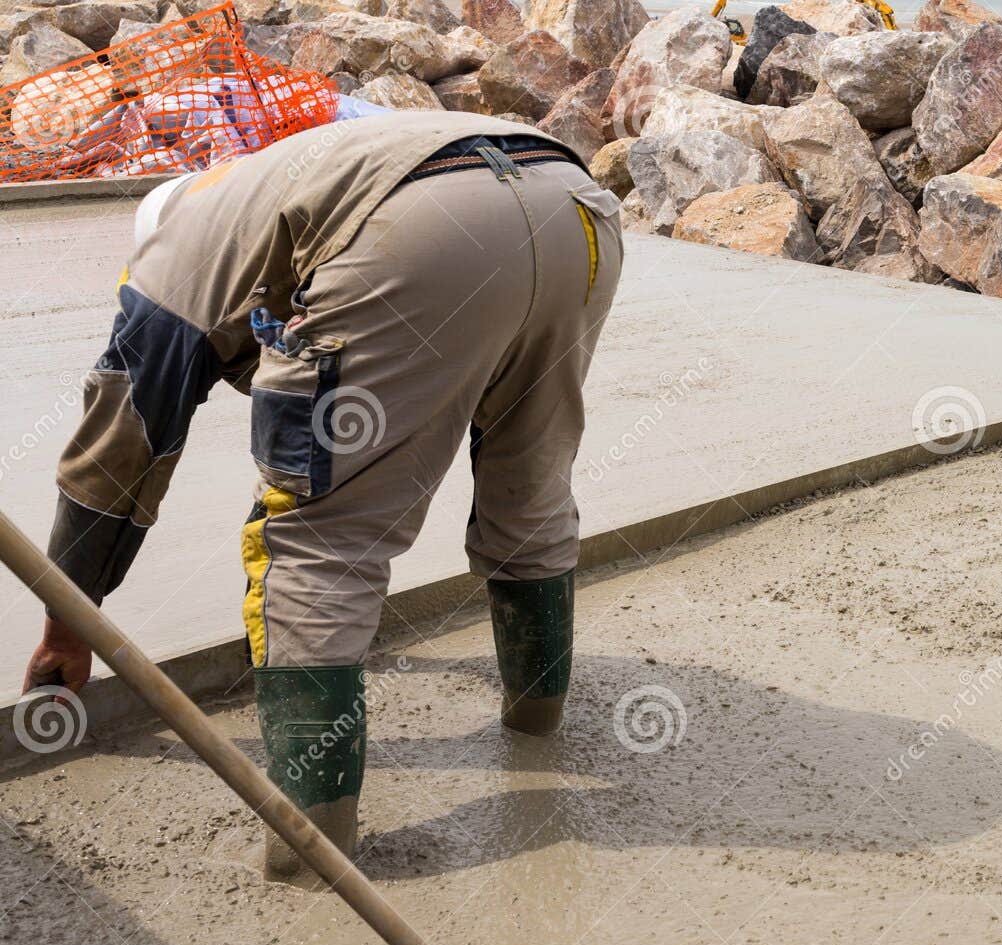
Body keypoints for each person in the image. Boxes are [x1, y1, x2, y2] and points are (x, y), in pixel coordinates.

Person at [21, 112, 623, 882]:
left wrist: (68, 628)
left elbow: (118, 451)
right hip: (574, 212)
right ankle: (538, 725)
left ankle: (313, 853)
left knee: (314, 541)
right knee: (529, 478)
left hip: (421, 228)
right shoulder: (272, 191)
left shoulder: (170, 271)